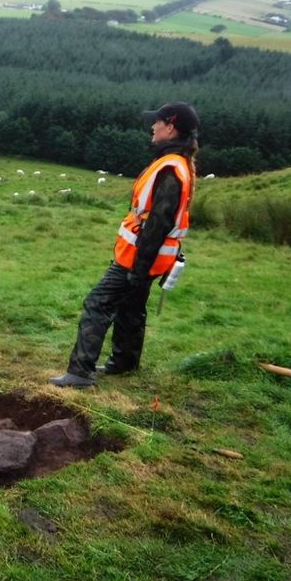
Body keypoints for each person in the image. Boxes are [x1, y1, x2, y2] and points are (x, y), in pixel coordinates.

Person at [49, 102, 200, 388]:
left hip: (138, 257)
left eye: (156, 122)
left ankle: (79, 372)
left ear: (170, 127)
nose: (152, 127)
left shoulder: (171, 169)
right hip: (151, 258)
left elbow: (157, 224)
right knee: (131, 307)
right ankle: (125, 362)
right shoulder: (178, 165)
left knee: (97, 303)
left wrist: (139, 268)